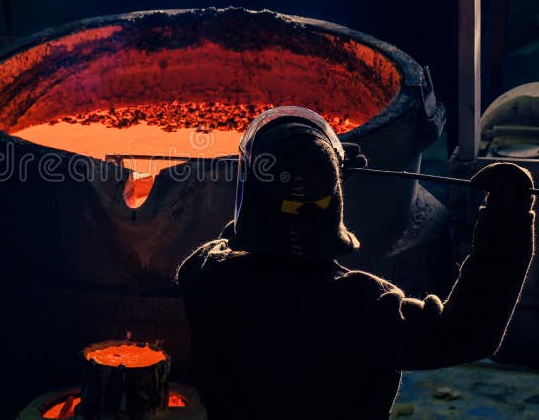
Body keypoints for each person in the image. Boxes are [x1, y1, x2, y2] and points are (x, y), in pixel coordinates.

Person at [176, 107, 535, 419]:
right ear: (332, 206)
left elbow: (238, 239)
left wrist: (295, 183)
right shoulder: (365, 305)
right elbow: (467, 333)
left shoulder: (207, 277)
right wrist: (507, 226)